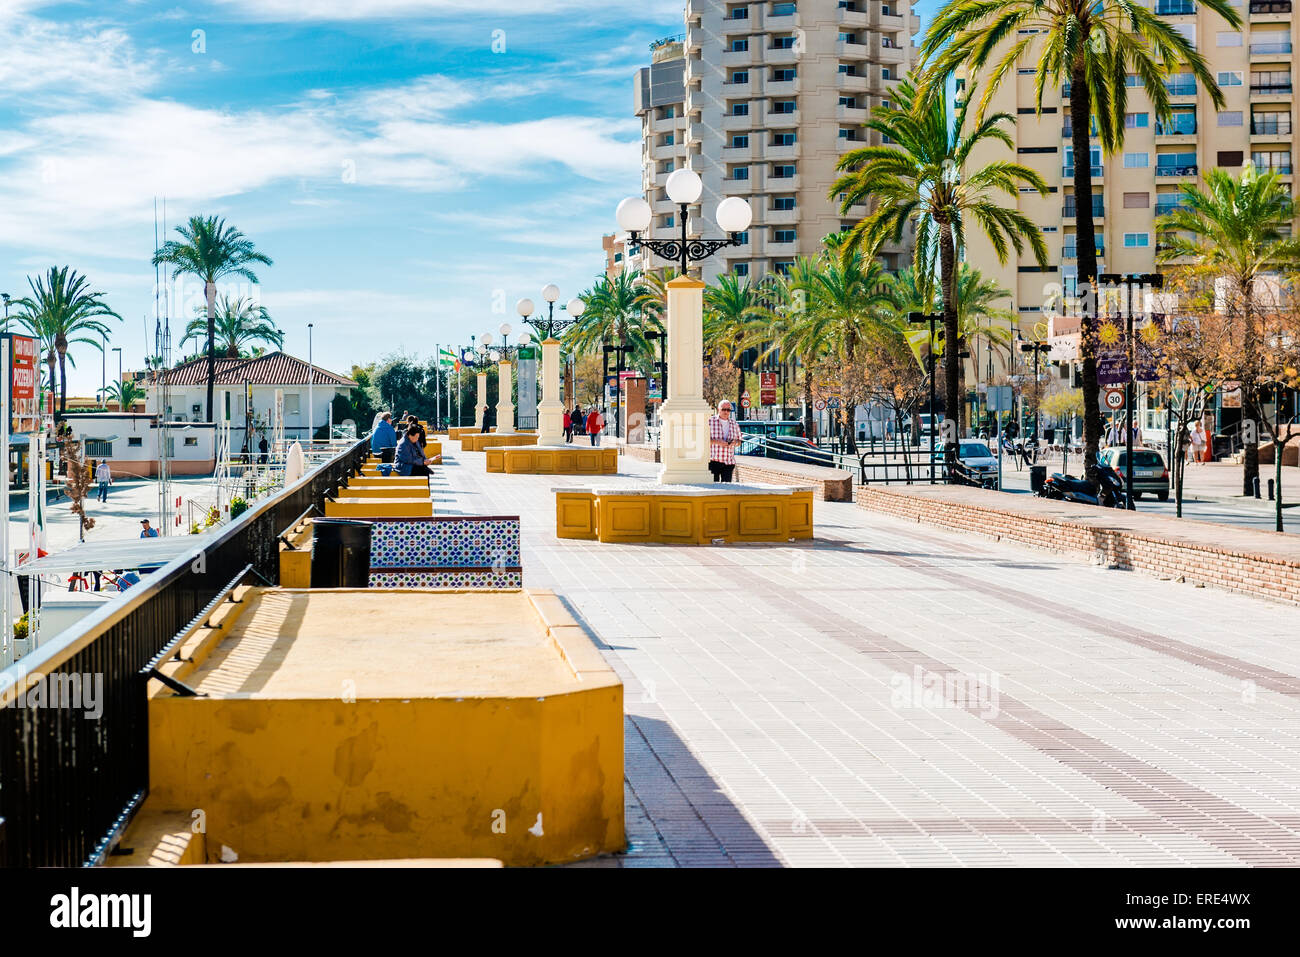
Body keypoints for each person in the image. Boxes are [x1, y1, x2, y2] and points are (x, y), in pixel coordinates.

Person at [708, 399, 743, 482]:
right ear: (718, 409)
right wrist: (717, 442)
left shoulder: (734, 424)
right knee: (713, 488)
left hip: (728, 462)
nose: (726, 412)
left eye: (728, 410)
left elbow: (739, 441)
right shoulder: (710, 421)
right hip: (713, 461)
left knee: (727, 489)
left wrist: (735, 443)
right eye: (723, 409)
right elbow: (702, 440)